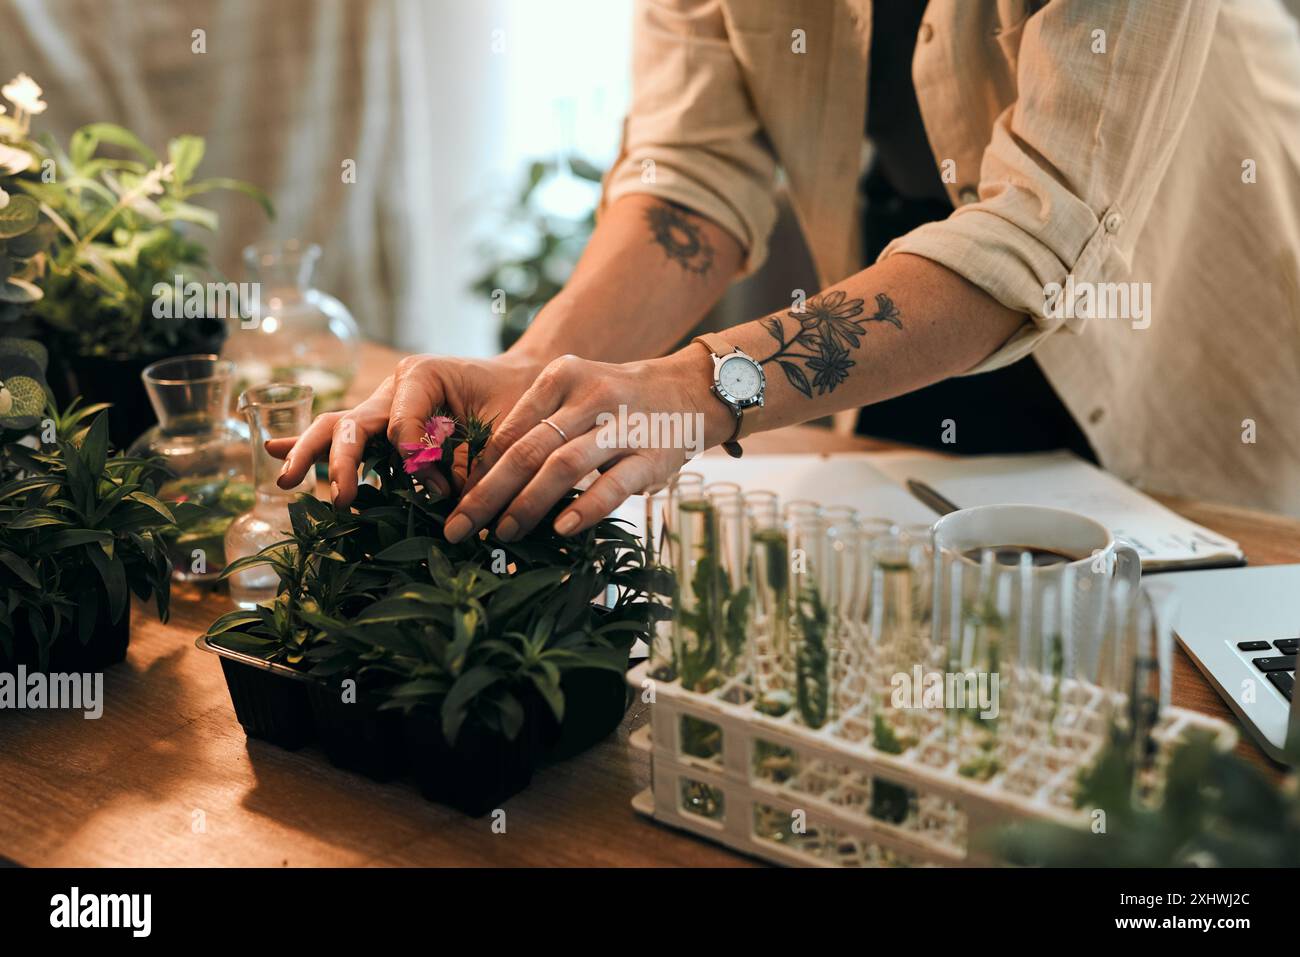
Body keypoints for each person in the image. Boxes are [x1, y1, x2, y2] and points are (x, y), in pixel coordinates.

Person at [274, 0, 1300, 546]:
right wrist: (539, 372)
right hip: (916, 279)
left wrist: (696, 389)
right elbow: (692, 173)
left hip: (1184, 270)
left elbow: (1039, 231)